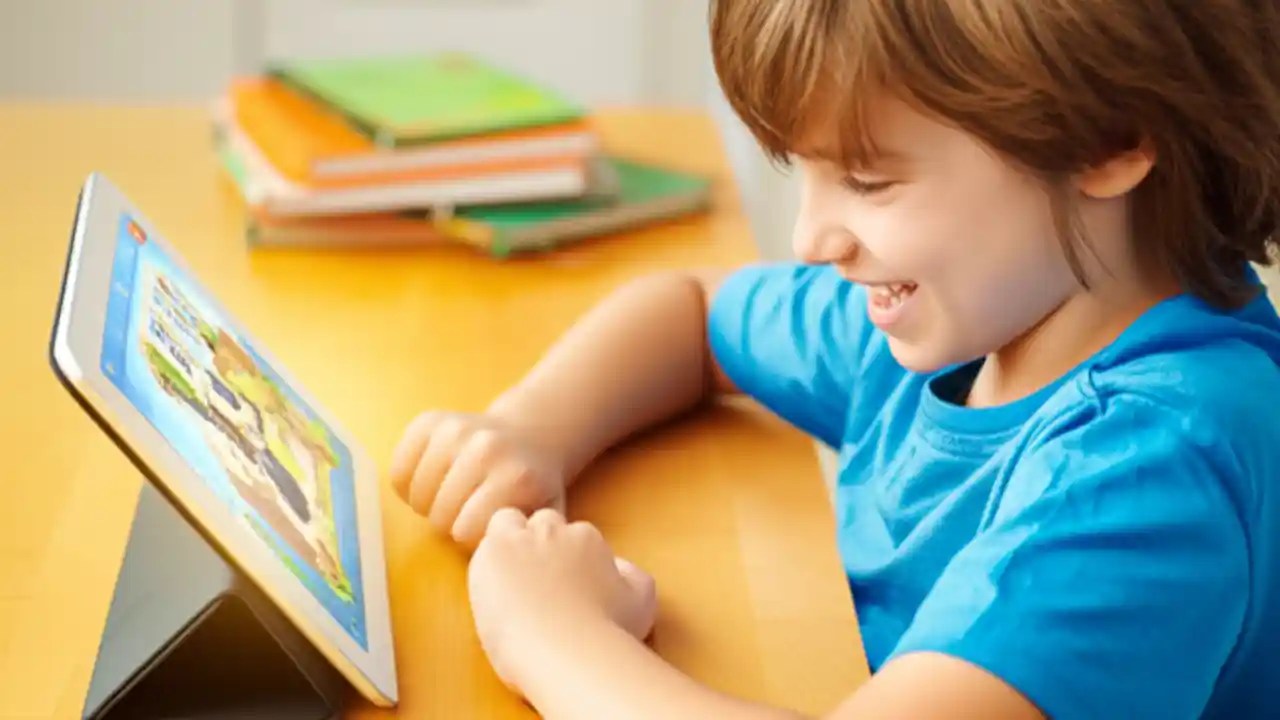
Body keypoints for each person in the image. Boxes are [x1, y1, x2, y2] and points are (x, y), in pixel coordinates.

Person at [390, 1, 1280, 717]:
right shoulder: (969, 321)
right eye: (803, 171)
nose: (812, 237)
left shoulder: (1155, 469)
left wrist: (554, 636)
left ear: (1108, 140)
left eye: (868, 180)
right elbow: (698, 312)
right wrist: (530, 426)